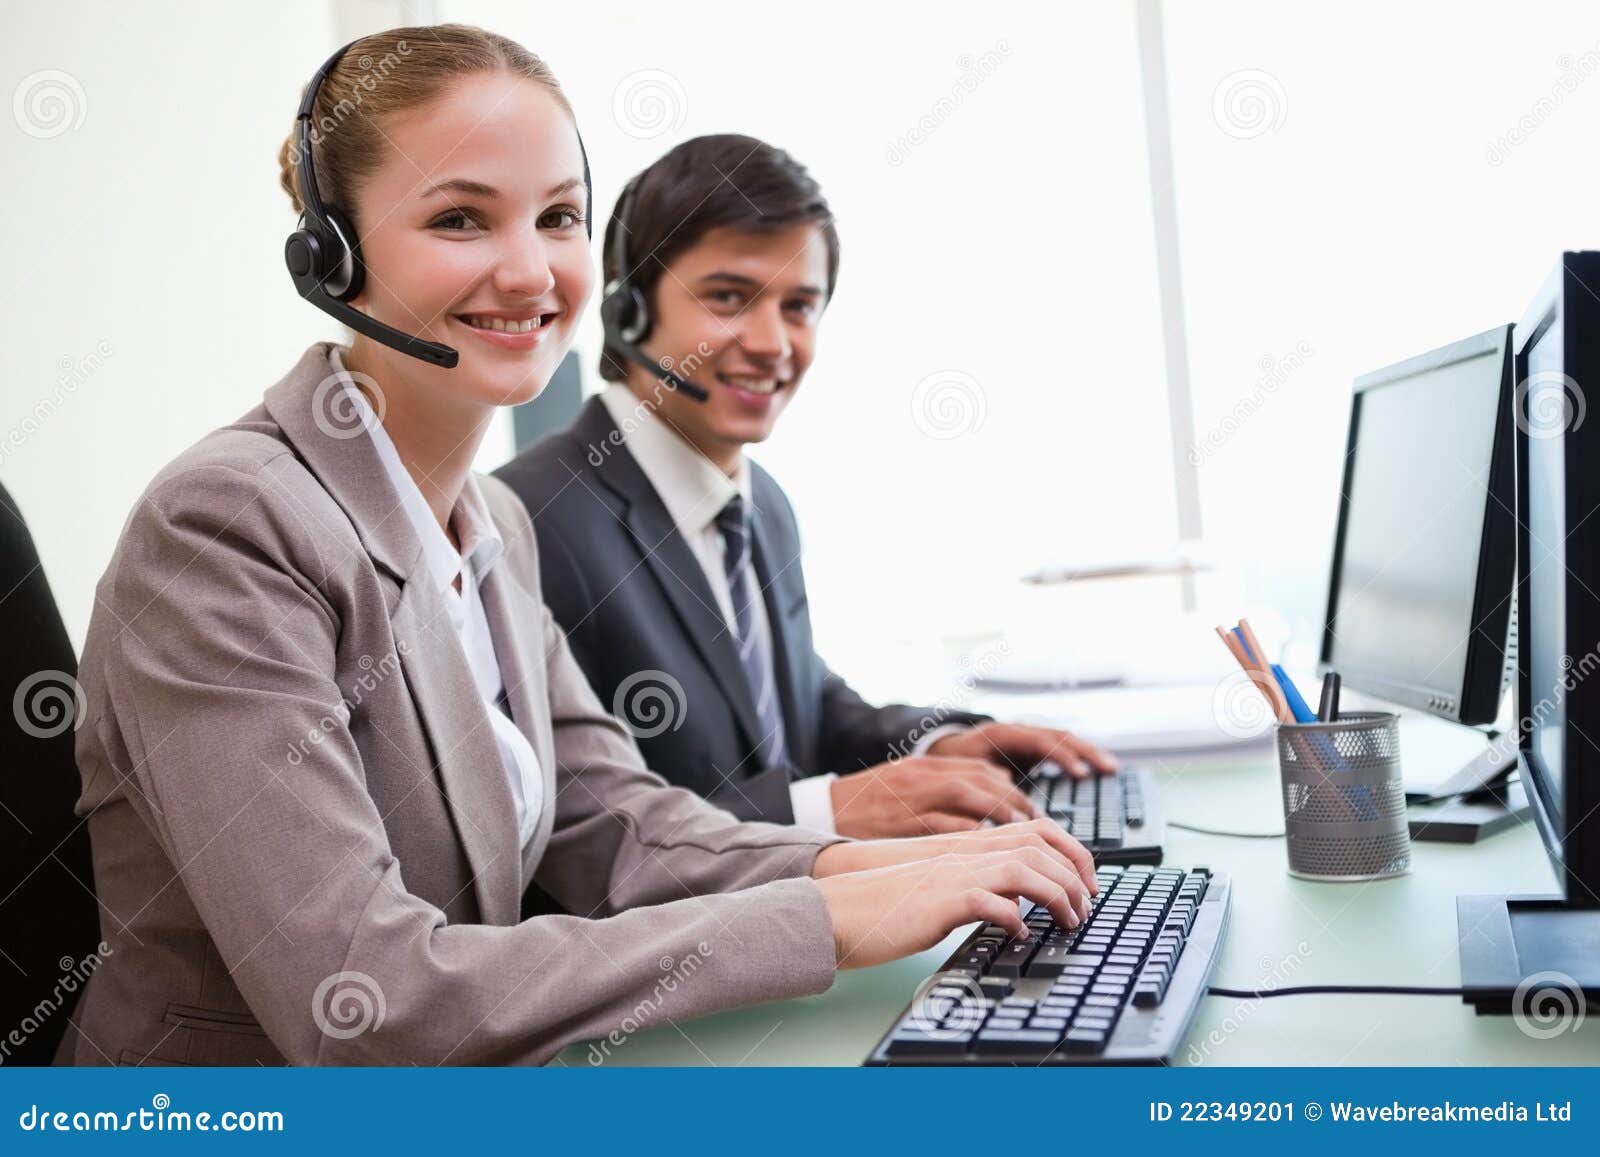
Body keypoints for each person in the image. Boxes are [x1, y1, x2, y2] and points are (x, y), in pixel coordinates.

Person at [55, 25, 1096, 1067]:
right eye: (459, 218)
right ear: (334, 255)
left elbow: (621, 831)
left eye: (557, 217)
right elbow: (364, 1000)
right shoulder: (229, 526)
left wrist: (878, 868)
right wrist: (826, 920)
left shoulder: (491, 525)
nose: (528, 272)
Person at [494, 135, 1118, 840]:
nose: (772, 344)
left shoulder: (762, 505)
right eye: (729, 297)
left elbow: (799, 709)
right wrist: (822, 810)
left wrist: (937, 743)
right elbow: (566, 835)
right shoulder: (530, 521)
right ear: (630, 310)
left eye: (798, 306)